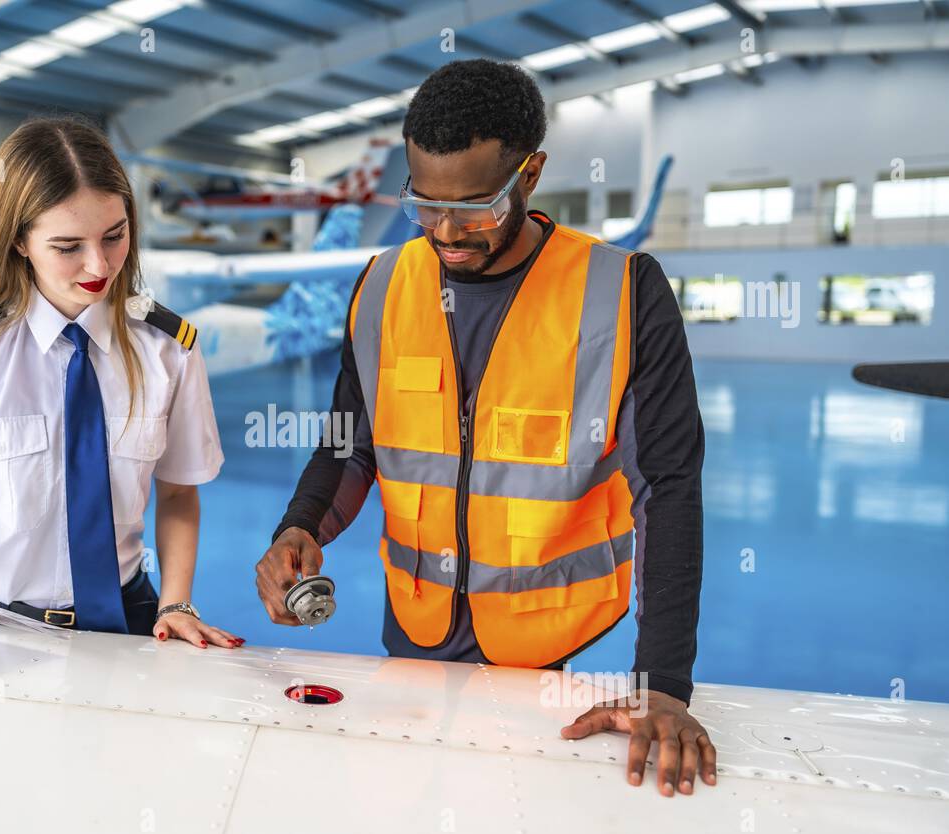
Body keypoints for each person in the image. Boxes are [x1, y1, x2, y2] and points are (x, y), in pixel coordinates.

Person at [254, 59, 715, 794]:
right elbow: (350, 445)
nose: (444, 232)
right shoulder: (380, 288)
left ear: (530, 174)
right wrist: (300, 526)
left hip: (554, 651)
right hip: (414, 631)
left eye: (472, 208)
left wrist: (662, 681)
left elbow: (668, 487)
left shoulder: (623, 295)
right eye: (423, 205)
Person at [0, 116, 240, 649]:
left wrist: (176, 602)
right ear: (20, 241)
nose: (99, 264)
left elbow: (178, 495)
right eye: (68, 245)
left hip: (129, 620)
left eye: (115, 236)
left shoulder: (169, 350)